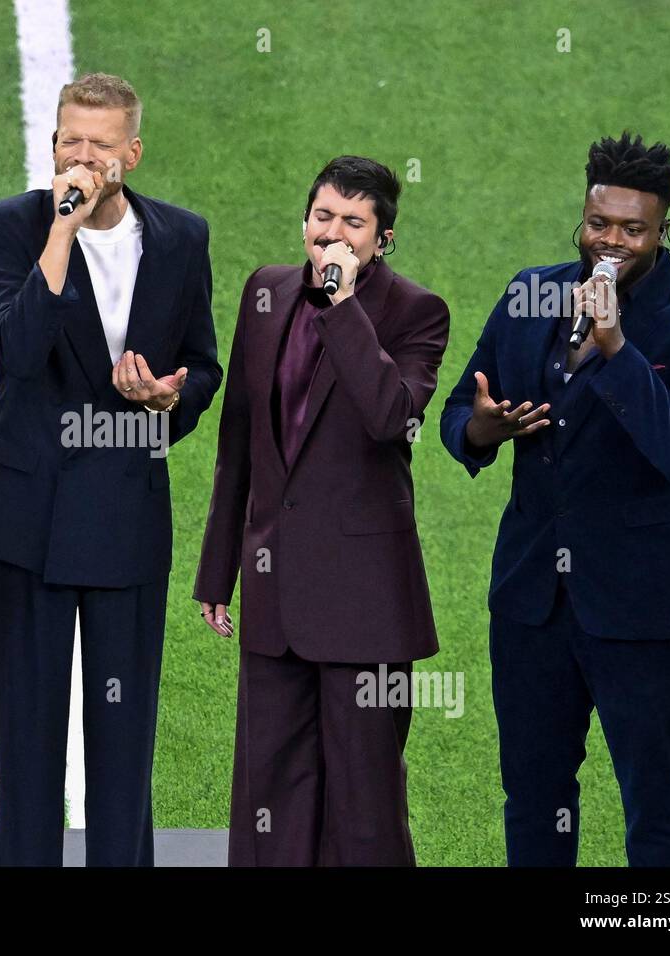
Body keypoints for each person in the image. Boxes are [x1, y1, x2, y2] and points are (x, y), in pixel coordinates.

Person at [439, 132, 670, 866]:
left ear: (662, 229)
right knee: (535, 794)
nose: (611, 241)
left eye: (632, 229)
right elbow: (459, 413)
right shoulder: (529, 293)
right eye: (599, 223)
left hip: (646, 606)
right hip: (532, 600)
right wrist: (481, 429)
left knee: (655, 799)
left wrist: (615, 347)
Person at [0, 72, 222, 865]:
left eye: (99, 146)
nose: (80, 157)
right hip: (29, 521)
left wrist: (166, 398)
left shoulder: (183, 238)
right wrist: (61, 232)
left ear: (132, 154)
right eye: (68, 140)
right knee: (28, 739)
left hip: (126, 517)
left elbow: (205, 367)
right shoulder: (7, 227)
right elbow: (17, 348)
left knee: (124, 745)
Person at [194, 156, 450, 866]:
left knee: (364, 806)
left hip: (367, 602)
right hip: (274, 593)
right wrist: (218, 572)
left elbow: (388, 416)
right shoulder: (265, 292)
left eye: (353, 223)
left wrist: (342, 308)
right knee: (269, 797)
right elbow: (239, 439)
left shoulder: (416, 312)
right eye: (323, 216)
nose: (332, 233)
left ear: (383, 238)